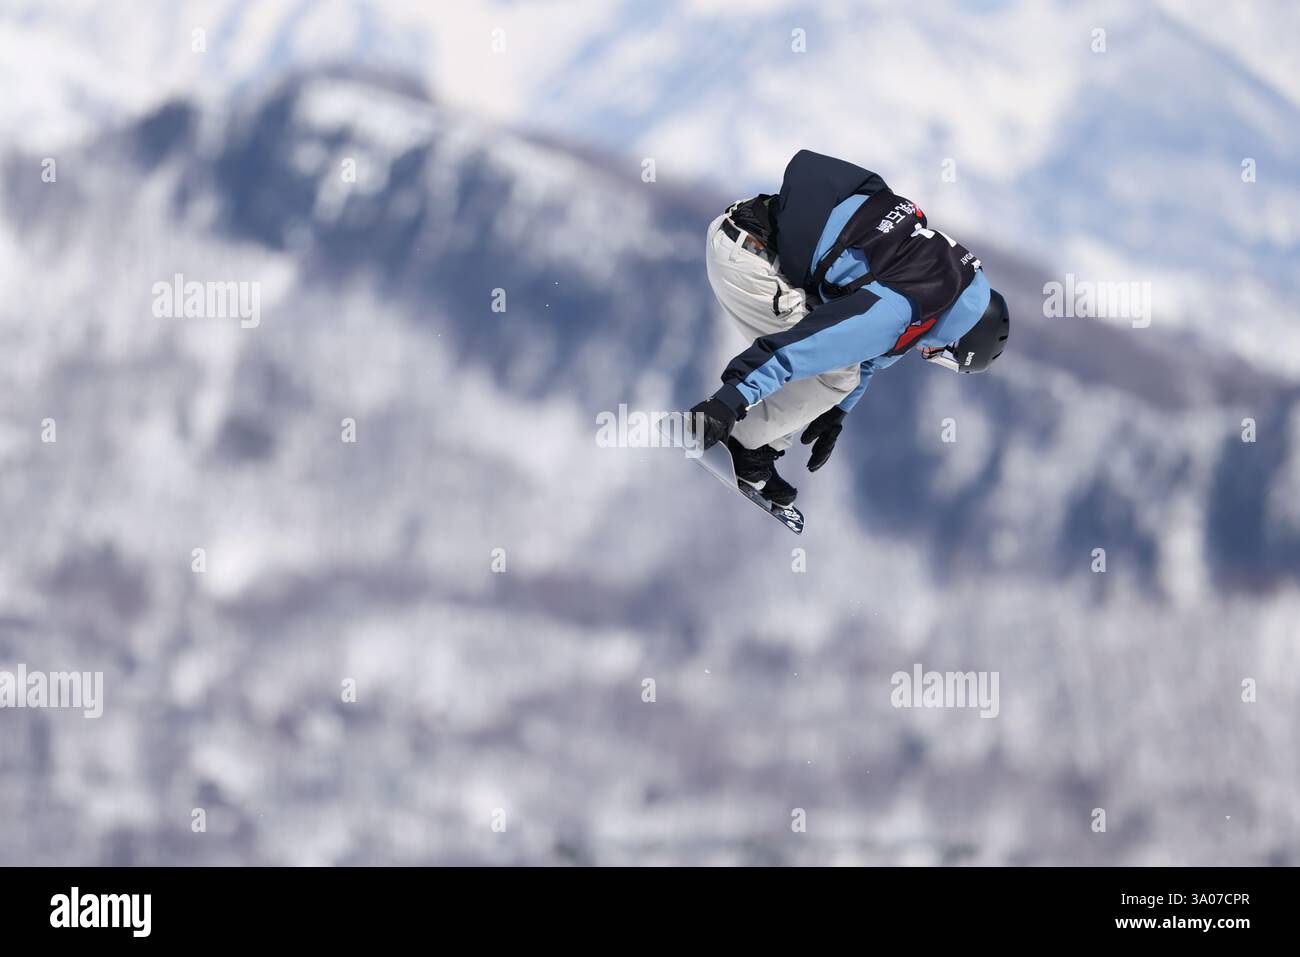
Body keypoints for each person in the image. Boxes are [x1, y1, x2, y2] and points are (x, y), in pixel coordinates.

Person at [689, 150, 1010, 507]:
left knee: (840, 377)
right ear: (957, 337)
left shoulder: (947, 276)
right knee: (835, 375)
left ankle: (756, 448)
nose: (928, 354)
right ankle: (739, 446)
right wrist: (729, 401)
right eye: (945, 356)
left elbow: (868, 350)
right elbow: (808, 346)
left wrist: (838, 411)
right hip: (747, 262)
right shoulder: (901, 308)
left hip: (749, 230)